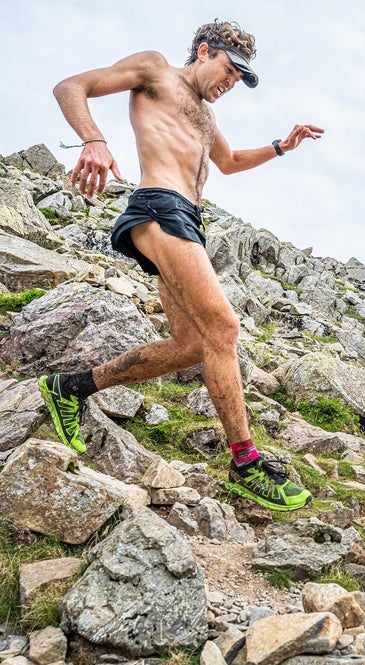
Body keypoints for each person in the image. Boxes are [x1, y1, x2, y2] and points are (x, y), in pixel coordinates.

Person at [39, 20, 323, 511]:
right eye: (230, 71)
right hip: (157, 206)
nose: (231, 83)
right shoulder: (156, 70)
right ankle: (245, 462)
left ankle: (70, 388)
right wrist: (94, 139)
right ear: (205, 51)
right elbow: (71, 87)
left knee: (193, 344)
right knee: (224, 328)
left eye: (239, 79)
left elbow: (230, 162)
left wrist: (281, 147)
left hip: (187, 218)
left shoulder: (206, 117)